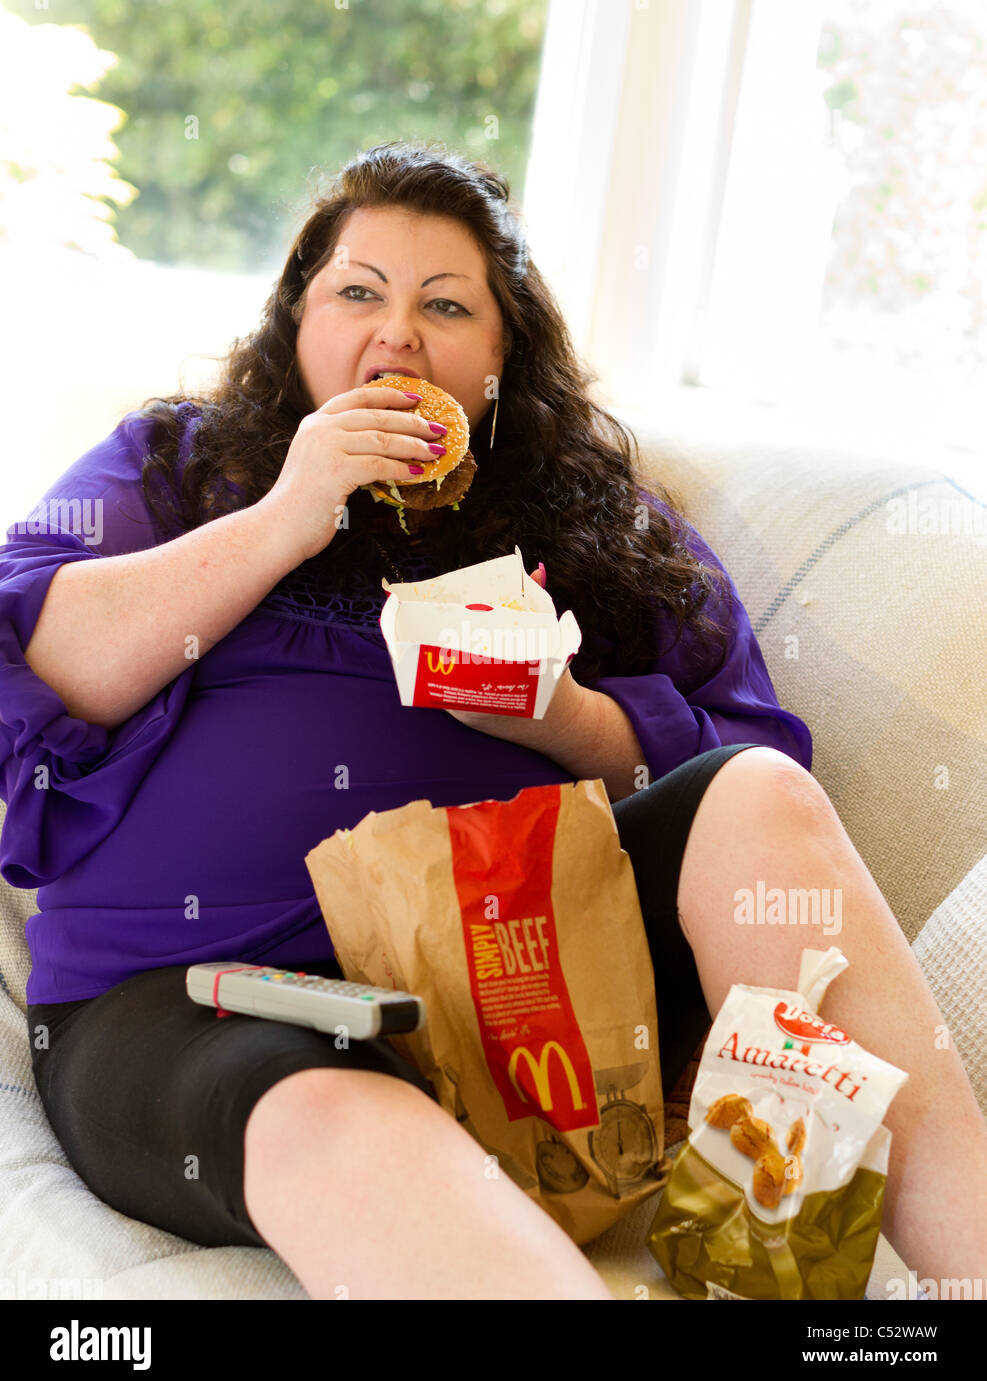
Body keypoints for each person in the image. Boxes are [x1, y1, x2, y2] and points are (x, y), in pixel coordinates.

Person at [1, 141, 983, 1302]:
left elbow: (743, 747)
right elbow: (42, 656)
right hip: (194, 995)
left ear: (505, 356)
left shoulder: (594, 520)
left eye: (448, 305)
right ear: (294, 325)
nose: (398, 334)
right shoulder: (177, 461)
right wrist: (287, 514)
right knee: (332, 1118)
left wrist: (563, 718)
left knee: (759, 800)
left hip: (530, 983)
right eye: (357, 292)